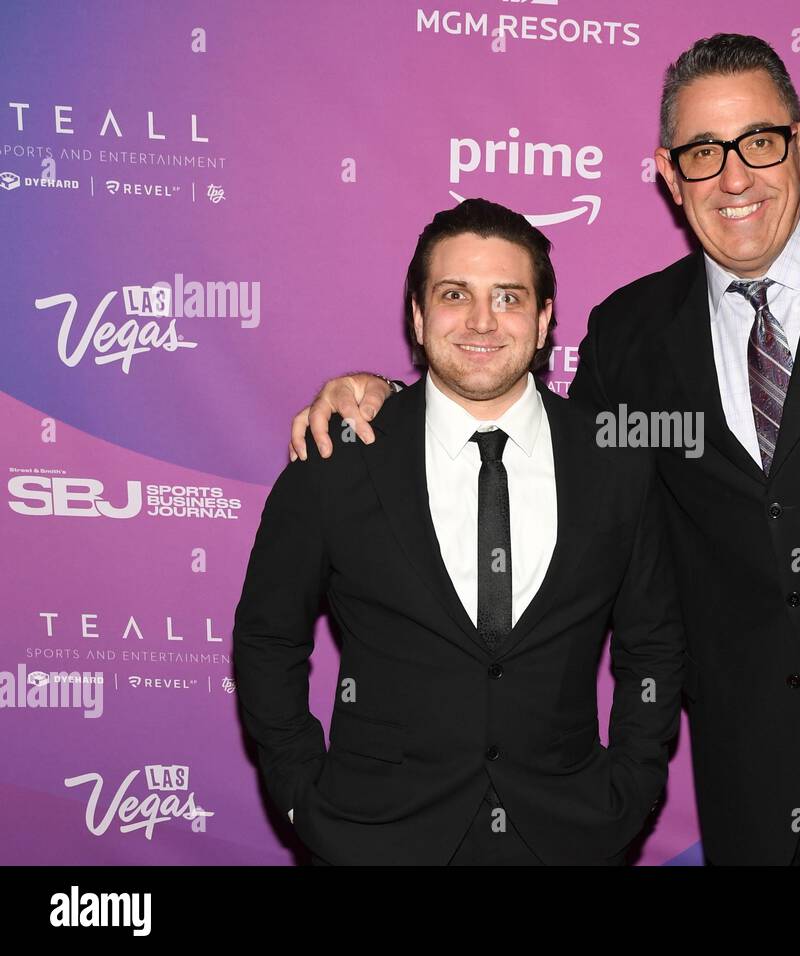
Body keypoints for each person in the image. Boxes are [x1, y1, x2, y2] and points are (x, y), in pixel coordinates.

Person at [286, 34, 800, 865]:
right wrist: (390, 399)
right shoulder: (633, 332)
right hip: (761, 776)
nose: (734, 176)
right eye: (702, 151)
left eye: (759, 141)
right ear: (667, 171)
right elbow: (547, 453)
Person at [235, 198, 683, 865]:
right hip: (375, 837)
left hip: (566, 836)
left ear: (543, 322)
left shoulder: (614, 463)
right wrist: (305, 794)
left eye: (508, 297)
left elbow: (653, 646)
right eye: (454, 295)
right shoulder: (339, 459)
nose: (481, 321)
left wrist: (631, 788)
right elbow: (268, 638)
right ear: (418, 317)